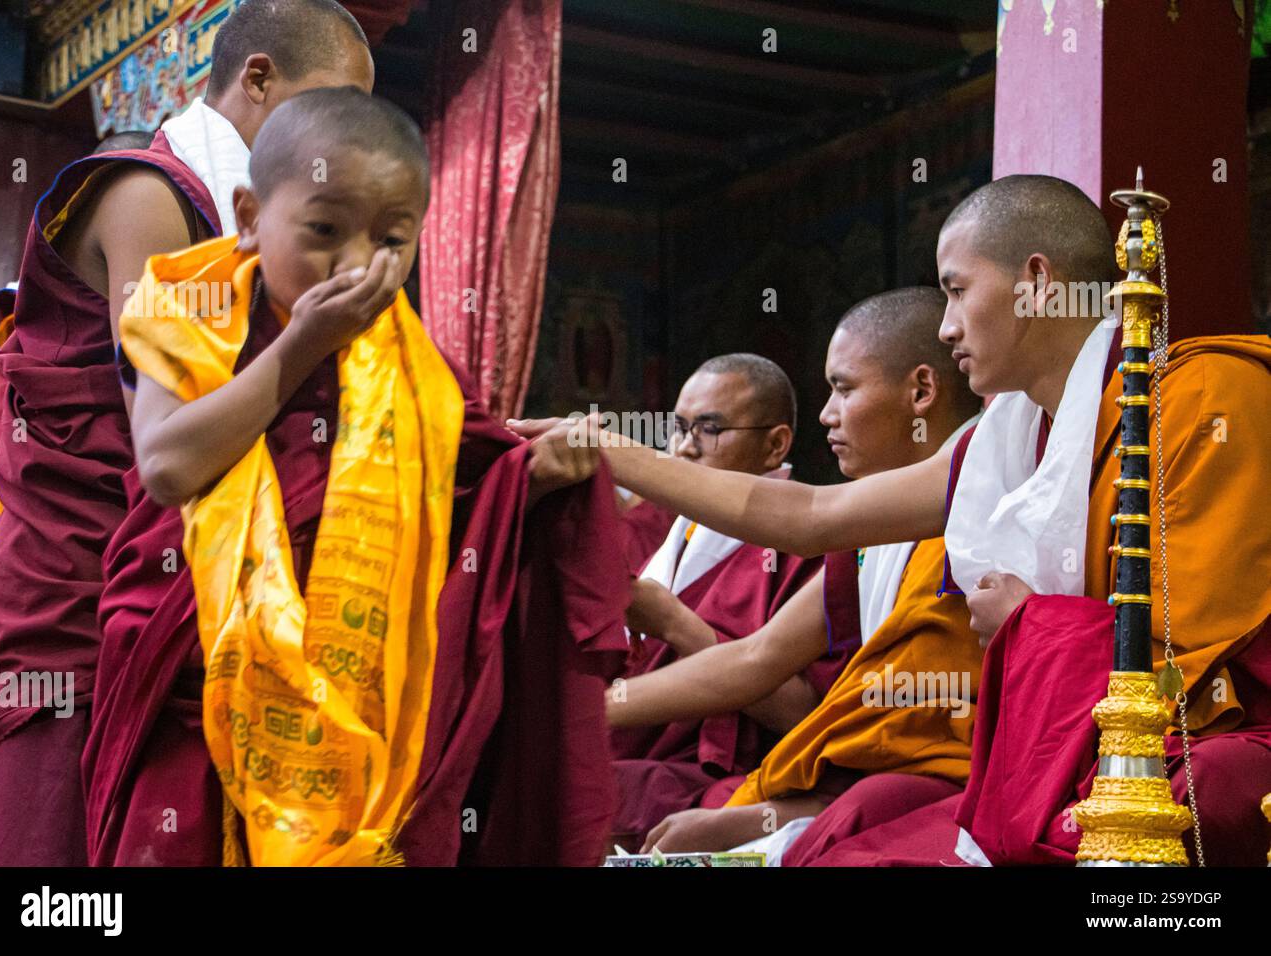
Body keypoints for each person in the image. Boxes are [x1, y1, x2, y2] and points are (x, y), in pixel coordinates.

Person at [512, 174, 1271, 866]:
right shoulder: (1001, 443)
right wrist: (603, 445)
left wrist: (1029, 625)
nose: (945, 328)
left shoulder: (1204, 399)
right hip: (1061, 760)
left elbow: (1197, 669)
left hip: (1195, 754)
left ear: (1037, 284)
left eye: (956, 290)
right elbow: (810, 514)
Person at [83, 87, 628, 866]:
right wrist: (300, 347)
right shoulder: (189, 307)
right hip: (197, 685)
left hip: (358, 706)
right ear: (247, 216)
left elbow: (456, 514)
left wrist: (532, 483)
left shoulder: (416, 369)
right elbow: (169, 465)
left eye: (390, 241)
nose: (355, 265)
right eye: (324, 230)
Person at [0, 0, 377, 865]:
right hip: (75, 609)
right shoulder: (146, 194)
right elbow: (170, 439)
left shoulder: (274, 234)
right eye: (335, 103)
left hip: (185, 612)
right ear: (259, 79)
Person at [615, 289, 982, 860]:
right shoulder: (873, 530)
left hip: (929, 788)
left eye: (843, 389)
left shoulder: (982, 486)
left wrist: (768, 817)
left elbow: (807, 520)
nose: (826, 415)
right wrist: (592, 708)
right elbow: (755, 659)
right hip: (847, 782)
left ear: (921, 391)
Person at [611, 354, 833, 846]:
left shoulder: (811, 549)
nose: (684, 449)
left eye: (708, 429)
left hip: (718, 782)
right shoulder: (650, 526)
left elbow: (807, 714)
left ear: (775, 445)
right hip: (626, 758)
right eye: (678, 429)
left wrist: (674, 622)